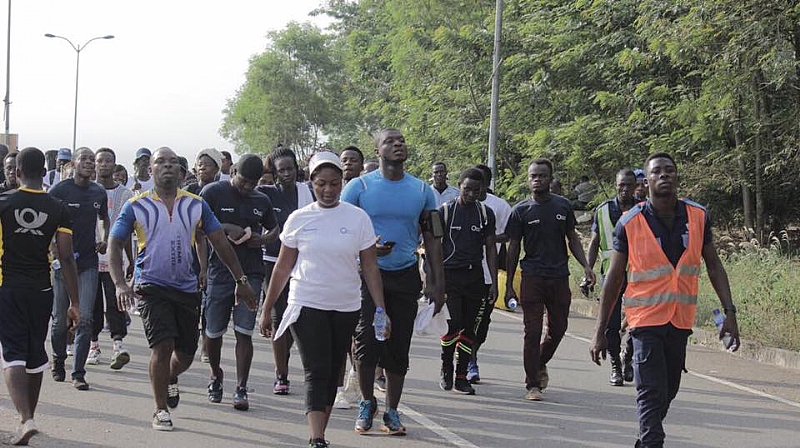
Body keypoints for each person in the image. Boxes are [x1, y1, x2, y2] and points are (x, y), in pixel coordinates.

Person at [590, 153, 741, 448]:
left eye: (669, 171)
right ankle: (651, 442)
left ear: (677, 177)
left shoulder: (698, 216)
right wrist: (599, 332)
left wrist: (729, 312)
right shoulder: (629, 222)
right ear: (646, 183)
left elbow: (714, 265)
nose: (664, 176)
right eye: (657, 172)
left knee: (668, 391)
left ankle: (646, 438)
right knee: (650, 391)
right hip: (644, 321)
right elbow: (614, 279)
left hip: (679, 320)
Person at [108, 147, 257, 431]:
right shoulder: (136, 205)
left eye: (173, 162)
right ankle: (160, 409)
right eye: (160, 162)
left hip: (187, 288)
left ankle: (171, 377)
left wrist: (241, 281)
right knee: (162, 347)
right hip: (151, 286)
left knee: (186, 354)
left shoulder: (196, 205)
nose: (167, 166)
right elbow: (115, 244)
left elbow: (220, 243)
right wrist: (119, 284)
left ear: (180, 171)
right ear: (150, 170)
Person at [257, 152, 388, 448]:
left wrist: (380, 309)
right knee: (316, 369)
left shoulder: (357, 219)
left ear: (342, 183)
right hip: (307, 302)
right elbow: (283, 267)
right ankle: (316, 438)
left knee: (334, 373)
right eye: (321, 184)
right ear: (311, 183)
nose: (328, 190)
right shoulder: (299, 219)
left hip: (346, 305)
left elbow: (370, 267)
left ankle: (321, 432)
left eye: (334, 184)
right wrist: (267, 308)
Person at [341, 128, 445, 435]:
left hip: (405, 274)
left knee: (399, 345)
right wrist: (367, 249)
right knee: (366, 343)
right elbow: (341, 229)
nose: (398, 144)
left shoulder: (423, 191)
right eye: (390, 141)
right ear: (377, 152)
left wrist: (438, 283)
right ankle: (366, 403)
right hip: (365, 276)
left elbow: (434, 237)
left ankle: (393, 411)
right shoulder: (358, 188)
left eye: (401, 141)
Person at [0, 148, 81, 445]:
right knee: (35, 355)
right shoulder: (58, 207)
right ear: (44, 173)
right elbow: (67, 257)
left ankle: (26, 419)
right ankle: (27, 421)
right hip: (42, 289)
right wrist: (74, 302)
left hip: (6, 287)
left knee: (12, 355)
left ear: (17, 172)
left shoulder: (4, 203)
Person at [505, 158, 595, 401]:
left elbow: (572, 238)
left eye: (542, 175)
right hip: (532, 277)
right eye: (533, 176)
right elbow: (513, 249)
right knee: (531, 331)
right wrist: (508, 285)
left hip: (558, 276)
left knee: (559, 328)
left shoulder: (562, 207)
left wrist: (586, 265)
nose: (537, 179)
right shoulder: (520, 211)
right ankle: (532, 384)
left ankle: (540, 361)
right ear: (528, 179)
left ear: (550, 178)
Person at [201, 154, 278, 410]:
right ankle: (215, 375)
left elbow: (274, 229)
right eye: (243, 181)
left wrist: (263, 239)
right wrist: (225, 227)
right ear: (233, 171)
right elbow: (197, 226)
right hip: (219, 271)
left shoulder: (261, 199)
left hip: (252, 271)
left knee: (244, 331)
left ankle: (241, 387)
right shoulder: (213, 192)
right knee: (213, 332)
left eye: (252, 184)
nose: (247, 188)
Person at [48, 147, 110, 391]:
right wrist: (53, 246)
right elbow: (47, 219)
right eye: (83, 159)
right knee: (60, 321)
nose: (88, 163)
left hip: (87, 263)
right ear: (73, 164)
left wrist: (104, 237)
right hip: (63, 263)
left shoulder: (98, 191)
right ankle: (58, 360)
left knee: (85, 317)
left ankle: (79, 372)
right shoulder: (59, 190)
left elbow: (104, 219)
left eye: (91, 160)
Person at [257, 147, 315, 395]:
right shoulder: (266, 194)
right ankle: (281, 374)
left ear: (297, 169)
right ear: (275, 172)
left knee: (299, 318)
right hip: (273, 262)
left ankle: (288, 358)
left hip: (305, 263)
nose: (287, 174)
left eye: (290, 169)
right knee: (279, 317)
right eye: (281, 170)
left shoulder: (308, 192)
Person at [438, 168, 497, 395]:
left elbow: (491, 248)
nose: (471, 194)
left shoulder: (485, 213)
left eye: (476, 190)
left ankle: (462, 375)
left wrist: (492, 281)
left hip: (475, 277)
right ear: (459, 186)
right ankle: (446, 367)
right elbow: (433, 246)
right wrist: (434, 280)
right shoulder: (444, 211)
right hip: (449, 276)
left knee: (469, 329)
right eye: (467, 189)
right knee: (453, 324)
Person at [586, 169, 636, 386]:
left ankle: (629, 356)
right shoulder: (603, 210)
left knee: (638, 320)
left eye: (629, 185)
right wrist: (588, 271)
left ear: (635, 186)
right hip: (611, 273)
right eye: (621, 185)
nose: (624, 189)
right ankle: (615, 362)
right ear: (615, 185)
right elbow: (595, 242)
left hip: (637, 274)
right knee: (611, 322)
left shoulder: (643, 210)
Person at [88, 148, 135, 370]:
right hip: (89, 258)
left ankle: (118, 344)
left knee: (116, 301)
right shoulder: (87, 191)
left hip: (113, 259)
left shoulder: (125, 195)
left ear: (115, 164)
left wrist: (131, 259)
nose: (104, 164)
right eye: (100, 161)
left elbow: (127, 230)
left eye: (108, 161)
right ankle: (93, 346)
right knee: (93, 303)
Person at [468, 164, 512, 384]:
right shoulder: (458, 204)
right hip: (461, 273)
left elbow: (508, 235)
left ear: (487, 183)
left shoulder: (498, 207)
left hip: (487, 272)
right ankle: (467, 361)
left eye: (481, 182)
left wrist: (488, 239)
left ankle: (471, 353)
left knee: (482, 324)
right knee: (461, 320)